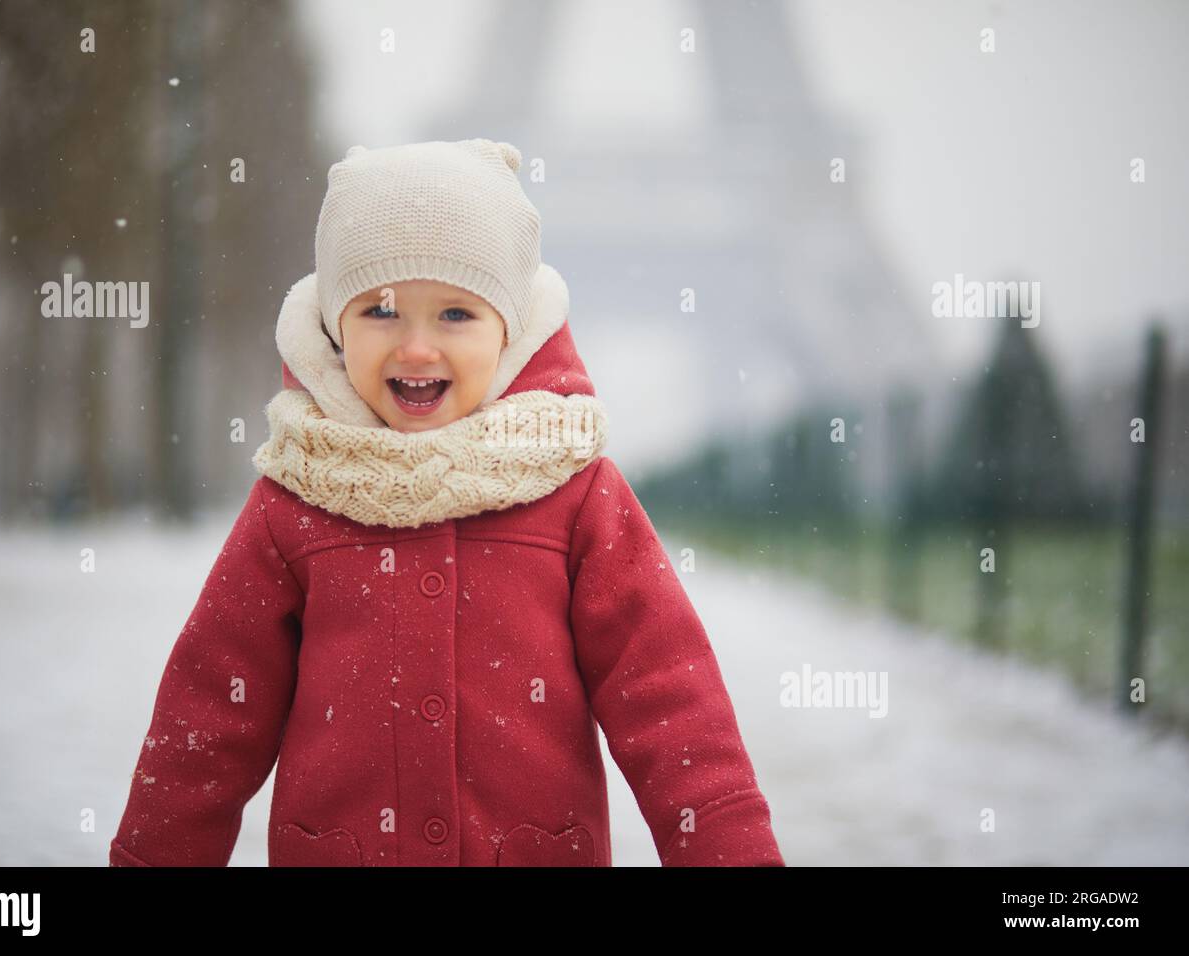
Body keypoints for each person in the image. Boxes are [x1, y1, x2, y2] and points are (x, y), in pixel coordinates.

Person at [109, 138, 784, 867]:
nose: (417, 347)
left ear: (512, 328)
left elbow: (670, 701)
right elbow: (210, 714)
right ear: (335, 330)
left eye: (456, 314)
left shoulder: (576, 490)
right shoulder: (296, 496)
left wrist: (728, 848)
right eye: (381, 312)